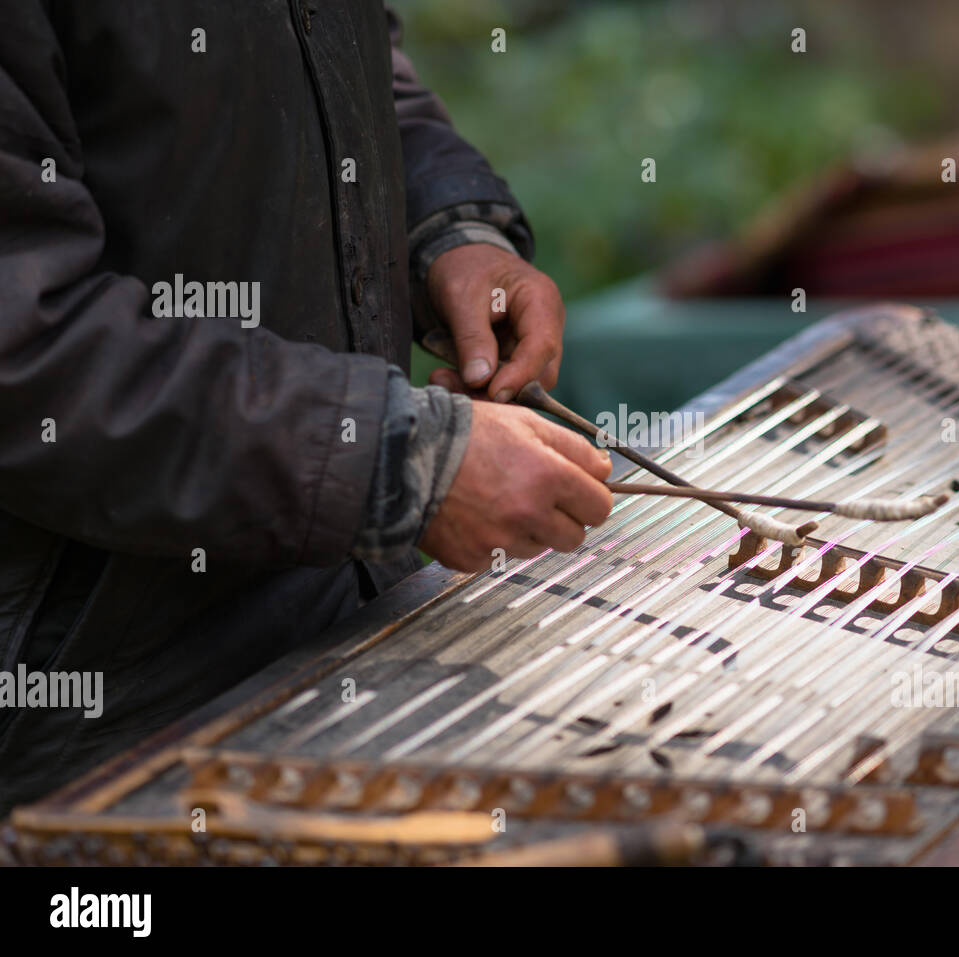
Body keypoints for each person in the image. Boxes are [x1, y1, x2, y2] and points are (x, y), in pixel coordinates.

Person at [0, 3, 612, 813]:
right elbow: (26, 351)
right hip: (100, 720)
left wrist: (451, 231)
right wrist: (392, 463)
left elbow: (353, 72)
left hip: (357, 624)